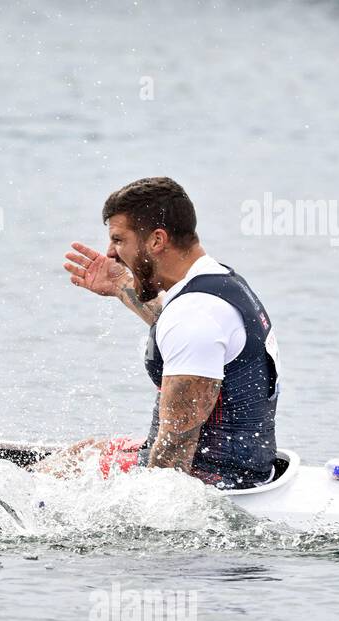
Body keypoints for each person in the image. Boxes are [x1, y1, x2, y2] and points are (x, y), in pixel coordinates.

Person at [45, 177, 280, 489]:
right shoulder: (217, 282)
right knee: (79, 454)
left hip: (214, 482)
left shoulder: (194, 317)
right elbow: (174, 324)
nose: (112, 253)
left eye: (118, 240)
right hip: (243, 465)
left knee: (52, 477)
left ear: (157, 240)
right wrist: (119, 285)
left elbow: (173, 459)